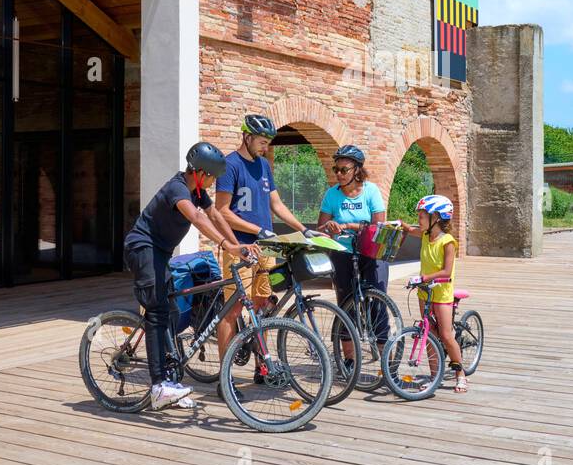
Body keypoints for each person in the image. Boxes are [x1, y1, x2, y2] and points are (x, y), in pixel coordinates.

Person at [124, 142, 254, 410]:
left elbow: (215, 215)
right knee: (157, 312)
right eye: (211, 178)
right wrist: (224, 245)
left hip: (160, 252)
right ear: (200, 172)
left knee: (171, 311)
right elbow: (196, 218)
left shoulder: (197, 191)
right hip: (142, 247)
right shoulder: (178, 189)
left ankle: (171, 382)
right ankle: (159, 385)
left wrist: (236, 245)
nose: (212, 183)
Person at [214, 114, 324, 385]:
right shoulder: (230, 165)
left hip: (265, 248)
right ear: (246, 137)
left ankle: (262, 366)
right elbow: (221, 211)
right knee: (234, 310)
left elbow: (277, 205)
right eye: (262, 142)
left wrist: (302, 228)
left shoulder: (264, 165)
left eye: (267, 143)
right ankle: (225, 378)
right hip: (240, 248)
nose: (265, 148)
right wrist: (255, 230)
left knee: (263, 307)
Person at [316, 144, 390, 359]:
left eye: (344, 170)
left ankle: (386, 362)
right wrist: (329, 227)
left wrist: (349, 226)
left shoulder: (371, 191)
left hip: (371, 251)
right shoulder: (332, 194)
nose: (338, 174)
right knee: (345, 303)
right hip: (343, 252)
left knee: (378, 302)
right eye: (335, 170)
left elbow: (379, 226)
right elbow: (321, 227)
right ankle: (349, 359)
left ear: (357, 170)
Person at [401, 194, 468, 394]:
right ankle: (434, 376)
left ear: (436, 218)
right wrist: (400, 225)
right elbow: (410, 229)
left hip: (442, 294)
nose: (419, 220)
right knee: (428, 333)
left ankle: (460, 374)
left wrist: (425, 277)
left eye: (422, 216)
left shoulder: (447, 241)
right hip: (425, 293)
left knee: (446, 335)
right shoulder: (424, 235)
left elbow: (447, 271)